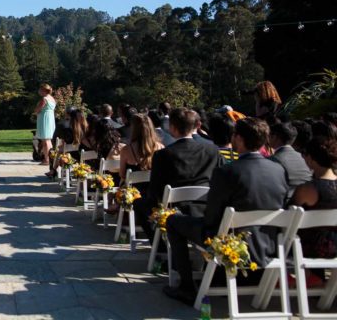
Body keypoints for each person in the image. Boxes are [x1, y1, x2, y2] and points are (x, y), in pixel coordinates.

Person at [163, 117, 288, 306]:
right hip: (267, 241)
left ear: (238, 138)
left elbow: (212, 217)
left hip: (229, 238)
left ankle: (186, 287)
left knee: (173, 221)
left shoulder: (228, 171)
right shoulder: (278, 169)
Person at [132, 108, 223, 244]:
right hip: (205, 207)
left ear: (172, 127)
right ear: (195, 126)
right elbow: (219, 181)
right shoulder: (213, 151)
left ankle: (160, 247)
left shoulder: (162, 155)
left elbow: (155, 189)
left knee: (138, 203)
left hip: (173, 209)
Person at [289, 137, 337, 276]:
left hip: (312, 247)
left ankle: (313, 277)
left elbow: (290, 214)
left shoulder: (308, 189)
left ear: (310, 159)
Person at [269, 122, 312, 199]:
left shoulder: (272, 160)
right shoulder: (304, 157)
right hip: (309, 200)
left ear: (275, 137)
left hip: (285, 204)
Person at [118, 113, 163, 182]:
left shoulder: (126, 150)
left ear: (133, 129)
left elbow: (122, 174)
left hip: (133, 191)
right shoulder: (160, 147)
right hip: (153, 190)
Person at [34, 84, 56, 165]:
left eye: (40, 89)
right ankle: (50, 158)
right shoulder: (52, 98)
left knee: (45, 140)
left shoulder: (44, 99)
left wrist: (36, 111)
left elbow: (37, 110)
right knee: (48, 140)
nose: (39, 91)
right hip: (50, 119)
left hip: (44, 119)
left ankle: (47, 160)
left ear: (43, 90)